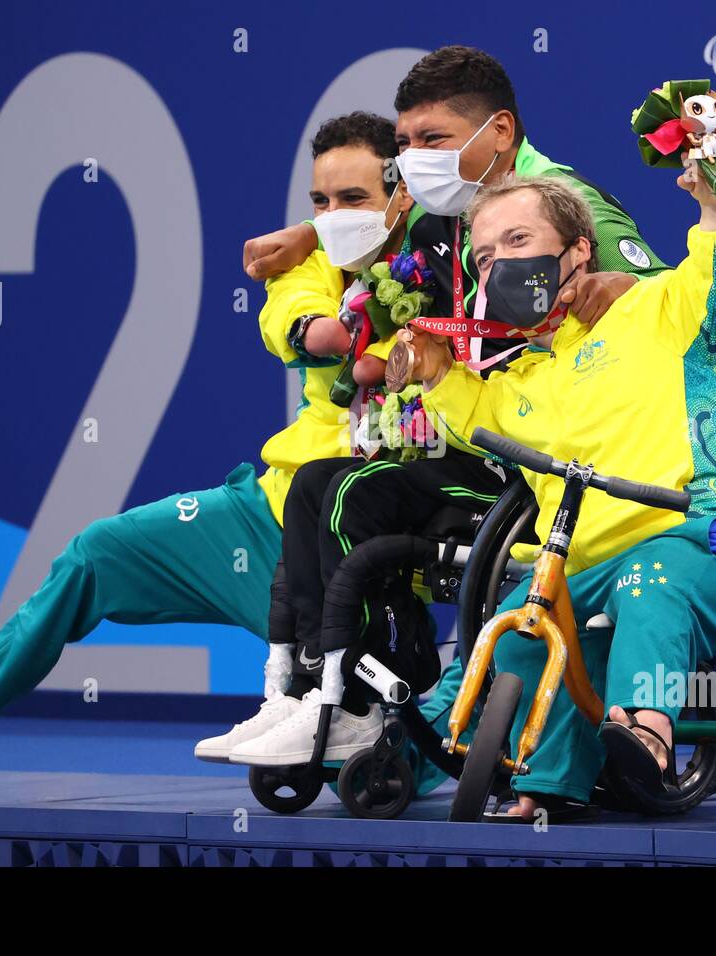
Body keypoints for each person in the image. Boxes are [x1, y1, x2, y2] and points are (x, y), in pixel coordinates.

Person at [0, 112, 407, 805]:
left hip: (347, 543)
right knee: (95, 555)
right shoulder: (304, 265)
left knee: (372, 756)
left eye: (353, 200)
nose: (332, 218)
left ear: (401, 195)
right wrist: (338, 328)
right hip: (263, 514)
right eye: (318, 203)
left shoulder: (445, 277)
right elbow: (296, 325)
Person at [226, 46, 660, 779]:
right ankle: (315, 692)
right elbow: (379, 243)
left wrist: (623, 288)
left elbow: (686, 316)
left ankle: (356, 704)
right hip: (473, 434)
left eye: (431, 141)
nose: (412, 161)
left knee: (350, 499)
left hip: (552, 459)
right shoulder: (446, 212)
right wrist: (310, 235)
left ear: (498, 133)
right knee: (315, 484)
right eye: (402, 145)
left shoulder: (564, 202)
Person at [400, 169, 716, 819]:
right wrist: (430, 370)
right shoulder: (525, 376)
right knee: (519, 637)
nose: (501, 264)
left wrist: (714, 206)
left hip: (695, 541)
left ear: (578, 249)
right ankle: (543, 785)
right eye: (485, 256)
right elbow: (472, 417)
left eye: (518, 239)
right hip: (584, 570)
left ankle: (649, 731)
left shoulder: (656, 309)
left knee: (648, 582)